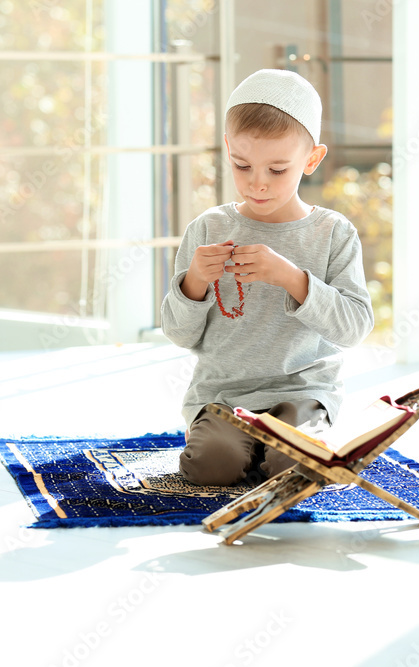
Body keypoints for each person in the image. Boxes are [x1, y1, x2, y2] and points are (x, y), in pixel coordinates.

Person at [161, 68, 374, 486]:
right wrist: (194, 282)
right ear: (227, 149)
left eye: (277, 170)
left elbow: (354, 329)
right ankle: (246, 448)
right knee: (211, 468)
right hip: (223, 396)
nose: (257, 184)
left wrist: (294, 279)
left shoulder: (333, 233)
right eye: (242, 166)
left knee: (295, 468)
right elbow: (178, 334)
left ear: (311, 159)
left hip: (303, 392)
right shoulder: (207, 229)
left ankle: (285, 448)